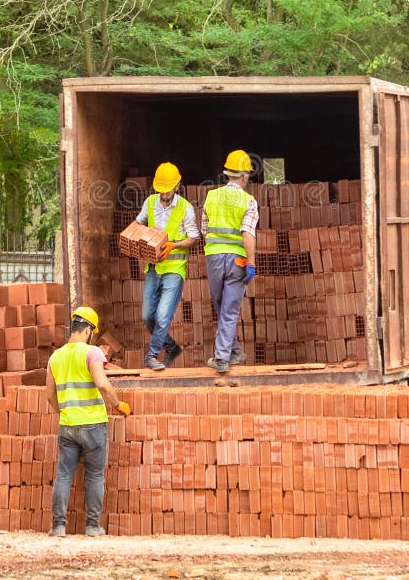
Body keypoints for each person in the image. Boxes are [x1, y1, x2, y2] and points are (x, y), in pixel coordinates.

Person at [46, 306, 130, 537]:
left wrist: (63, 413)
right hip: (93, 424)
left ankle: (58, 527)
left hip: (68, 425)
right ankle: (92, 527)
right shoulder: (91, 353)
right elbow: (102, 384)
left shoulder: (55, 357)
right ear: (88, 330)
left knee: (64, 475)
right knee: (94, 475)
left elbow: (50, 395)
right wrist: (118, 405)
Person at [135, 162, 200, 370]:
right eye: (161, 190)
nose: (164, 194)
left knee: (163, 316)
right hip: (153, 268)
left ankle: (152, 356)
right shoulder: (150, 202)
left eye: (168, 190)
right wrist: (142, 236)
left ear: (177, 186)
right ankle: (171, 348)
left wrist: (174, 245)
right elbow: (138, 224)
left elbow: (194, 237)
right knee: (148, 316)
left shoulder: (186, 208)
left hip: (174, 270)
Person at [202, 150, 258, 373]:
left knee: (221, 305)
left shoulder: (211, 196)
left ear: (227, 174)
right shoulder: (248, 201)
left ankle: (233, 351)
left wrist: (215, 251)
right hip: (237, 260)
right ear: (244, 176)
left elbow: (205, 229)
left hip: (214, 257)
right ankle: (223, 358)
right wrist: (251, 262)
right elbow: (248, 233)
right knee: (229, 308)